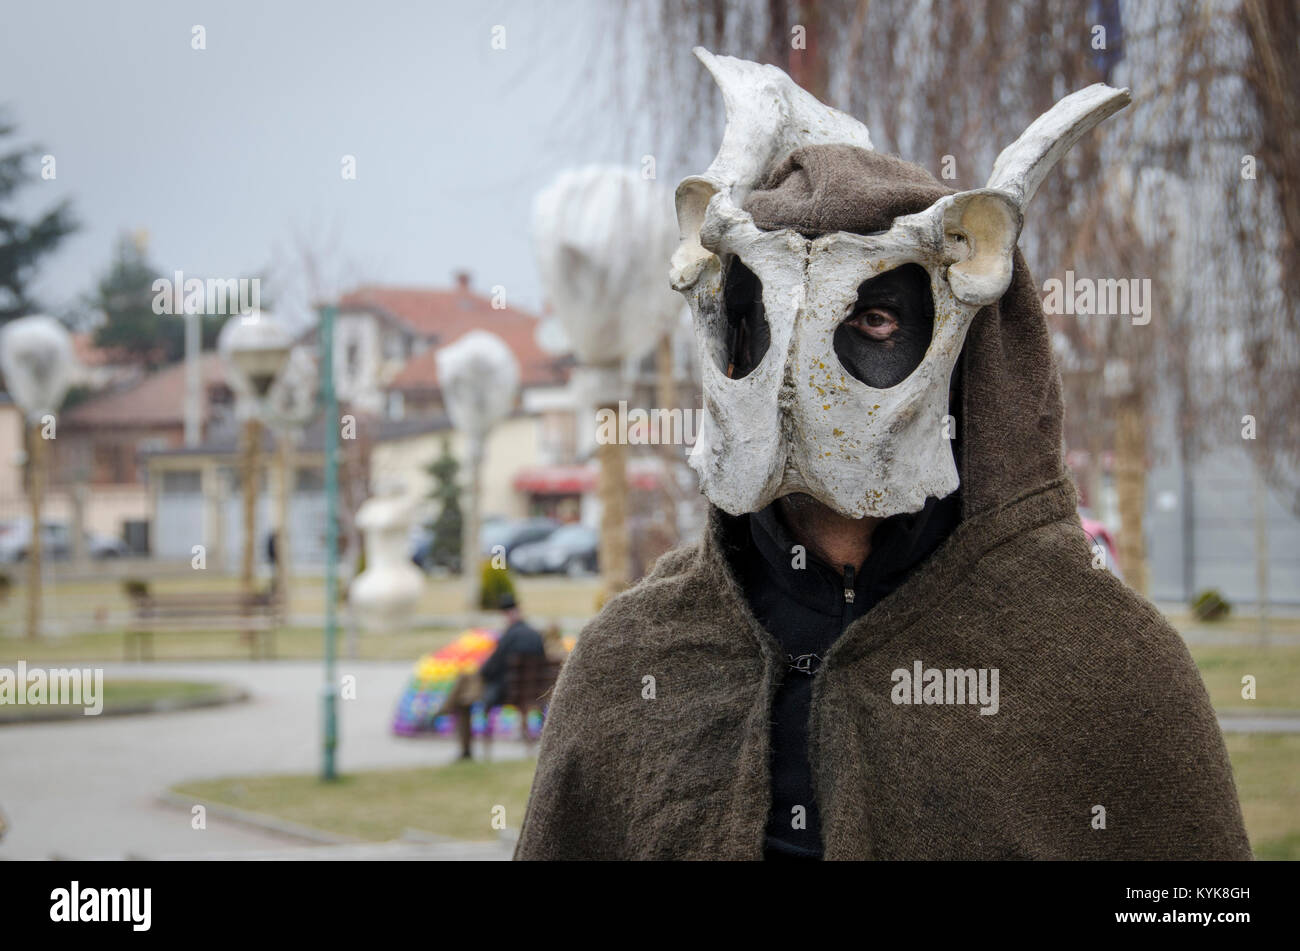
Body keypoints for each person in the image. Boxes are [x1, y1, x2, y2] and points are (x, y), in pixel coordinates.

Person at [514, 51, 1251, 860]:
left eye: (873, 321)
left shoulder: (1104, 667)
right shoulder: (637, 657)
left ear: (964, 347)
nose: (796, 371)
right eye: (760, 310)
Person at [439, 592, 544, 760]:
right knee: (465, 680)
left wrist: (482, 673)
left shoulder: (509, 636)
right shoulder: (535, 635)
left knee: (464, 693)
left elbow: (488, 669)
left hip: (504, 692)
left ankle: (460, 739)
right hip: (528, 691)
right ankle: (446, 706)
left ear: (505, 614)